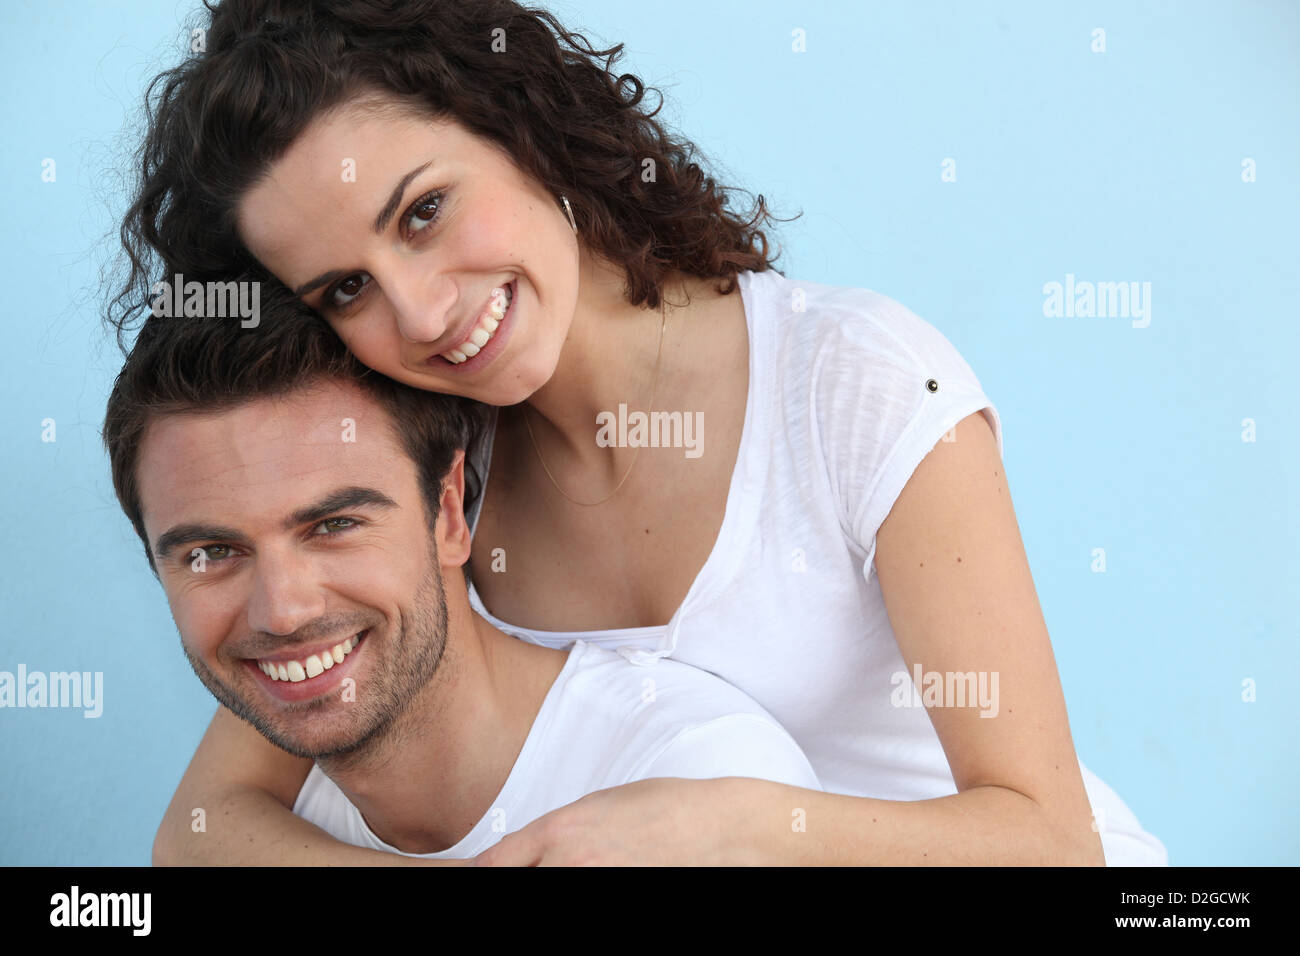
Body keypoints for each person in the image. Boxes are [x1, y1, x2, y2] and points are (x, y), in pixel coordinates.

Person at [109, 0, 1167, 864]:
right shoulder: (438, 464)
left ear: (515, 124)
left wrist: (736, 821)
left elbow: (1047, 837)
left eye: (423, 212)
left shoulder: (850, 381)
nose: (422, 313)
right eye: (346, 288)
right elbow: (204, 830)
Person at [102, 296, 823, 862]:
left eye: (334, 526)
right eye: (211, 553)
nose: (283, 611)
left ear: (448, 512)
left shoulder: (696, 777)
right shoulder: (264, 821)